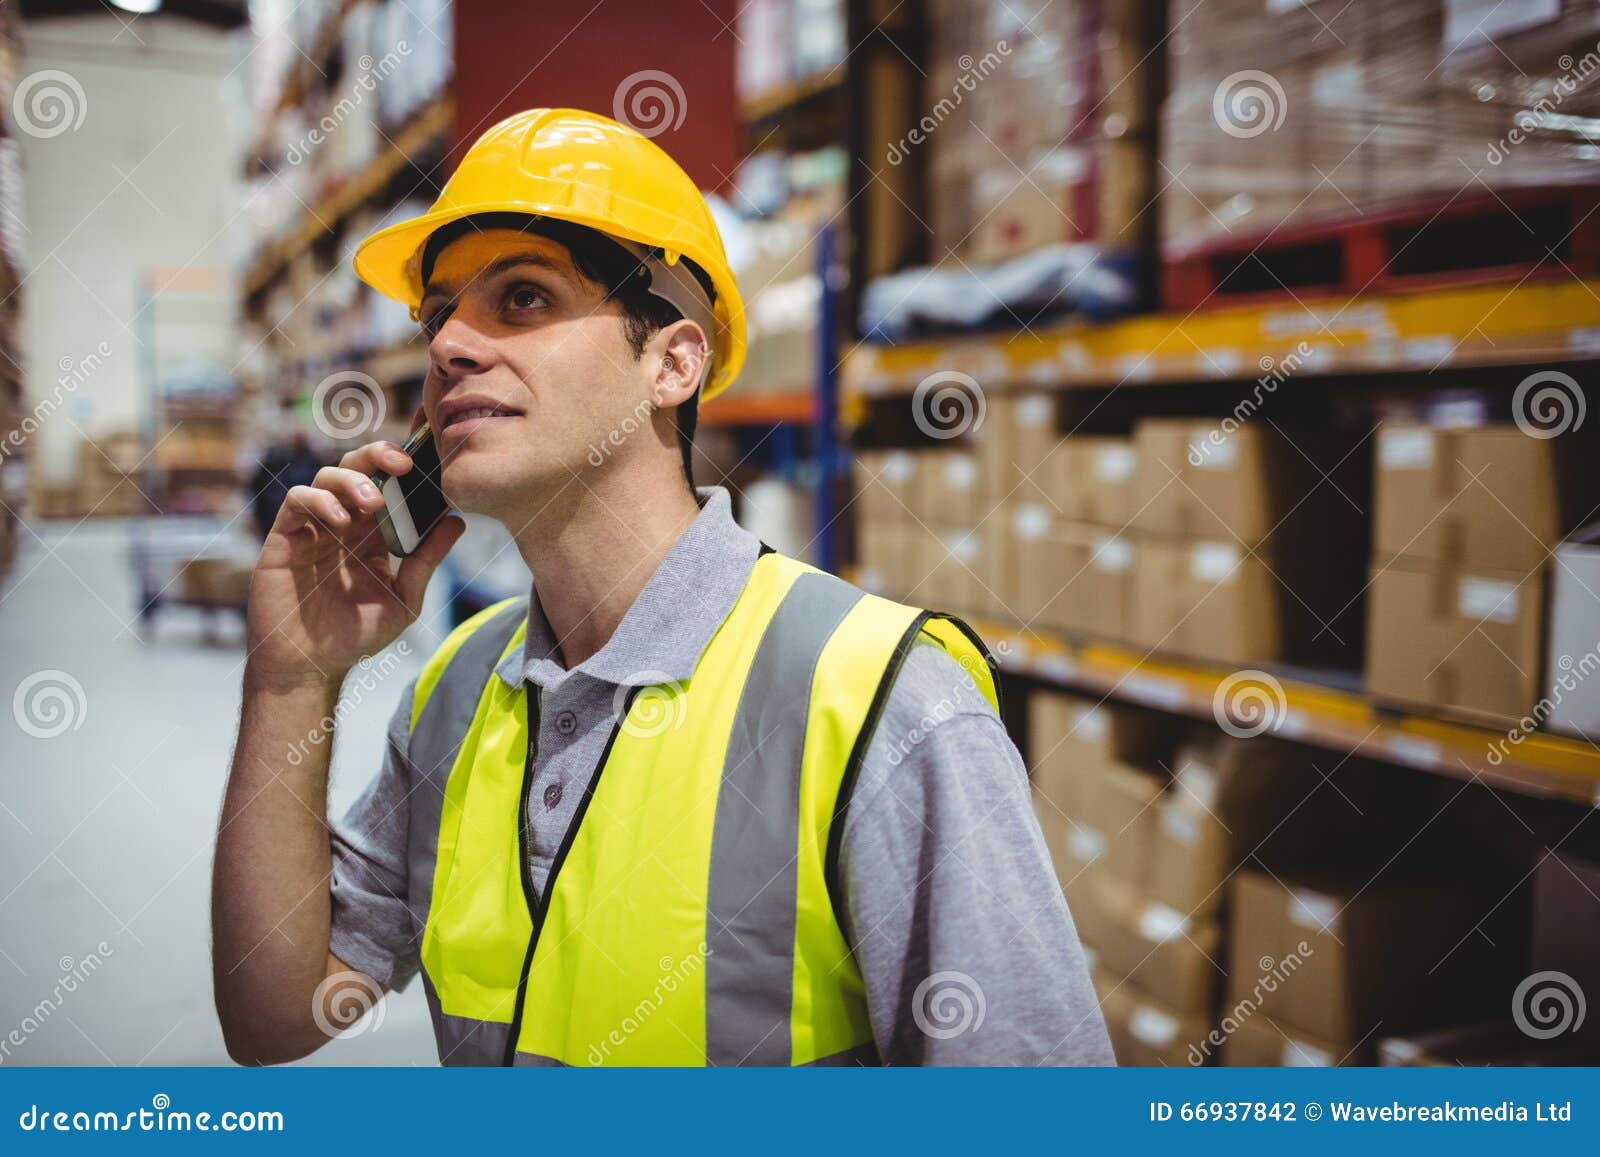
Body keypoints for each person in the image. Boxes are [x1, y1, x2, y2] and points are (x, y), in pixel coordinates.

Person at [212, 108, 1111, 1067]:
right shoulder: (456, 694)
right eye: (440, 314)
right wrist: (288, 681)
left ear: (673, 362)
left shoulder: (878, 699)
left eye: (522, 298)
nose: (449, 348)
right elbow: (276, 1016)